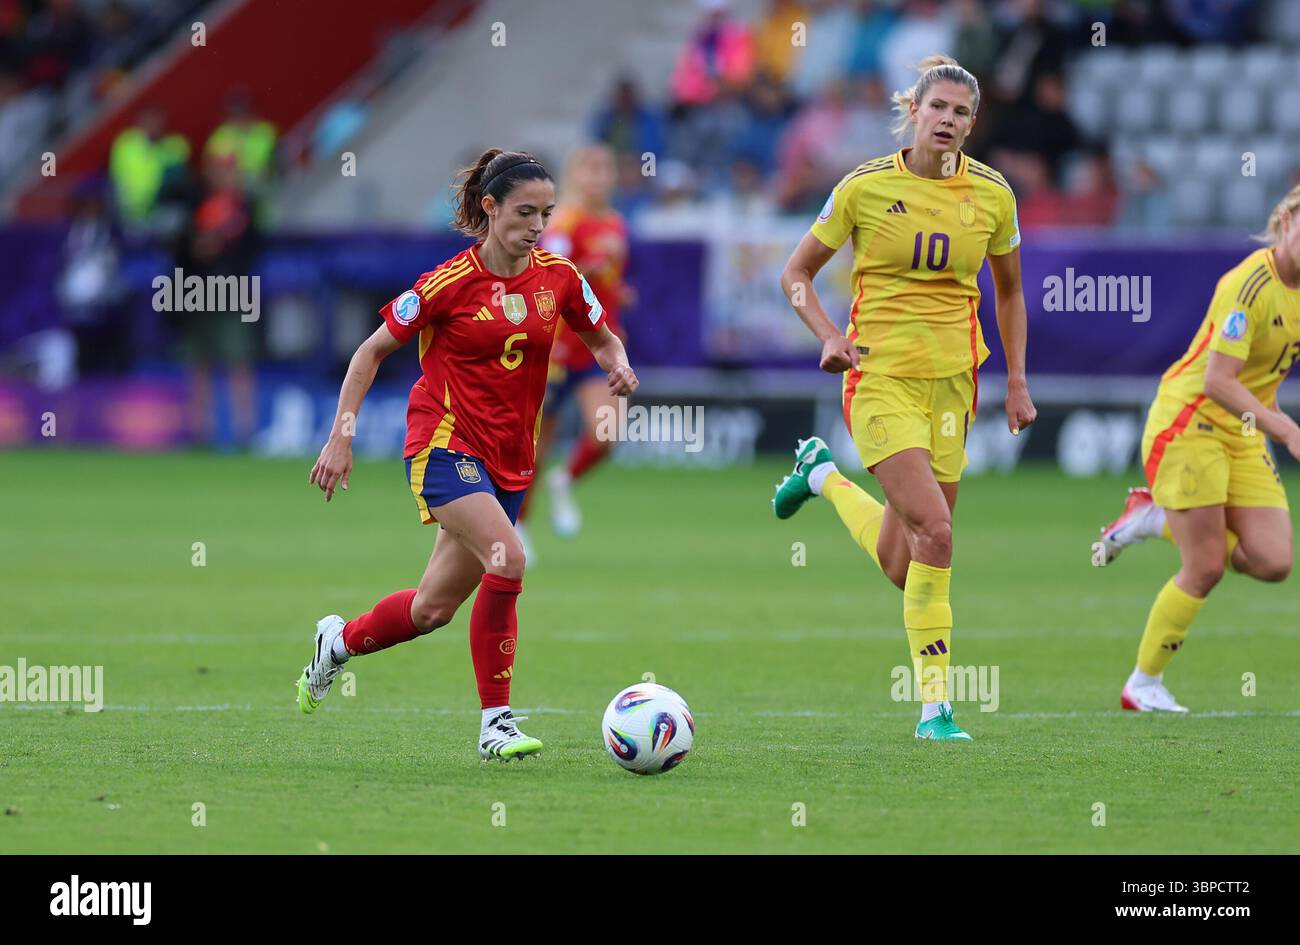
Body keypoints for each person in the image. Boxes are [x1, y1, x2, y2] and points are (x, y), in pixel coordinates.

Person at [299, 149, 638, 761]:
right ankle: (496, 723)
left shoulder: (559, 277)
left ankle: (337, 643)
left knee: (432, 609)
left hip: (511, 457)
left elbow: (602, 335)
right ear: (490, 207)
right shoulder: (448, 283)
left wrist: (618, 365)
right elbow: (367, 354)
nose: (537, 226)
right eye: (525, 212)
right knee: (508, 558)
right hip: (444, 444)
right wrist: (340, 437)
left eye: (546, 213)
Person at [773, 55, 1036, 741]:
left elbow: (1009, 291)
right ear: (913, 112)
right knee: (939, 533)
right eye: (937, 108)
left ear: (971, 125)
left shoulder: (993, 195)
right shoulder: (863, 188)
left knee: (904, 561)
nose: (947, 120)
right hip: (880, 376)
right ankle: (935, 708)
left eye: (960, 113)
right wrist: (829, 333)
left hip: (955, 384)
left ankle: (821, 476)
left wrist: (1015, 380)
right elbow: (796, 273)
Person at [1095, 186, 1300, 712]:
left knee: (1275, 561)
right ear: (1285, 223)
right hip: (1191, 421)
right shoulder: (1249, 286)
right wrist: (1286, 429)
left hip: (1243, 429)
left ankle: (1152, 518)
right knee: (1205, 564)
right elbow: (1217, 382)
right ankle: (1142, 684)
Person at [518, 144, 631, 548]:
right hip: (556, 346)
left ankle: (564, 480)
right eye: (592, 170)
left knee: (607, 432)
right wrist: (589, 269)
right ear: (575, 176)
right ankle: (520, 527)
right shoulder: (564, 223)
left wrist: (617, 292)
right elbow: (548, 279)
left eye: (606, 169)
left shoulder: (616, 223)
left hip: (596, 344)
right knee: (533, 447)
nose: (600, 178)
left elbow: (601, 284)